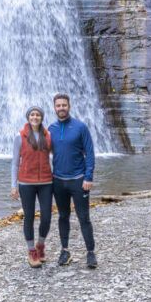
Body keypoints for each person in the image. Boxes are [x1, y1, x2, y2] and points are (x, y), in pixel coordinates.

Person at [48, 93, 97, 269]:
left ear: (69, 106)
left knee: (84, 217)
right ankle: (65, 250)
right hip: (58, 181)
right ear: (54, 108)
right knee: (63, 216)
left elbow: (90, 153)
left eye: (64, 105)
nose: (61, 108)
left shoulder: (80, 127)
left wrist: (88, 176)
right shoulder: (50, 129)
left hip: (78, 180)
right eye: (58, 105)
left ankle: (90, 253)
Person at [10, 106, 53, 268]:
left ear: (41, 117)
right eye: (32, 115)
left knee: (47, 216)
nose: (35, 117)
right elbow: (15, 163)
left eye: (38, 115)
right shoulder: (19, 136)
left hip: (46, 183)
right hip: (26, 183)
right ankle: (31, 251)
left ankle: (40, 245)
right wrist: (13, 186)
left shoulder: (48, 135)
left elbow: (55, 156)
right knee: (29, 216)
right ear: (28, 117)